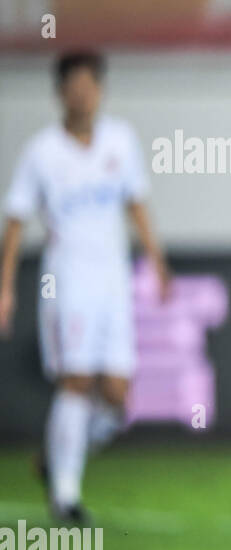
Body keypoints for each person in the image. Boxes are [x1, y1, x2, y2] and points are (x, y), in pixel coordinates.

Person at [0, 51, 170, 525]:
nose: (82, 94)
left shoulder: (120, 140)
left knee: (118, 395)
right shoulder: (42, 151)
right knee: (75, 380)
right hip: (67, 281)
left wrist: (157, 261)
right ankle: (66, 494)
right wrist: (5, 288)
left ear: (100, 90)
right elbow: (15, 220)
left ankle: (56, 456)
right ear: (60, 93)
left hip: (112, 282)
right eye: (73, 86)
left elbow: (136, 203)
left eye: (89, 85)